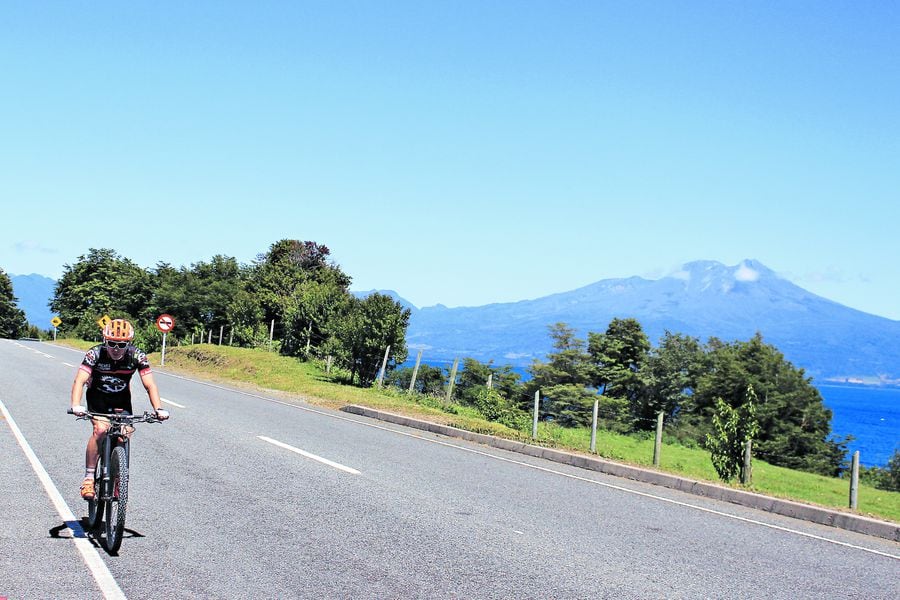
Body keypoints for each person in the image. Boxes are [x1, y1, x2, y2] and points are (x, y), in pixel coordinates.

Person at [69, 318, 169, 499]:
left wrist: (159, 408)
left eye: (122, 345)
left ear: (129, 343)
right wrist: (76, 405)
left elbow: (150, 385)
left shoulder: (137, 356)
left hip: (121, 401)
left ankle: (118, 478)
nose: (116, 349)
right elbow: (80, 380)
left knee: (125, 433)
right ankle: (89, 479)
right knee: (100, 430)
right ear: (105, 341)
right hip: (97, 398)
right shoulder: (95, 354)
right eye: (112, 343)